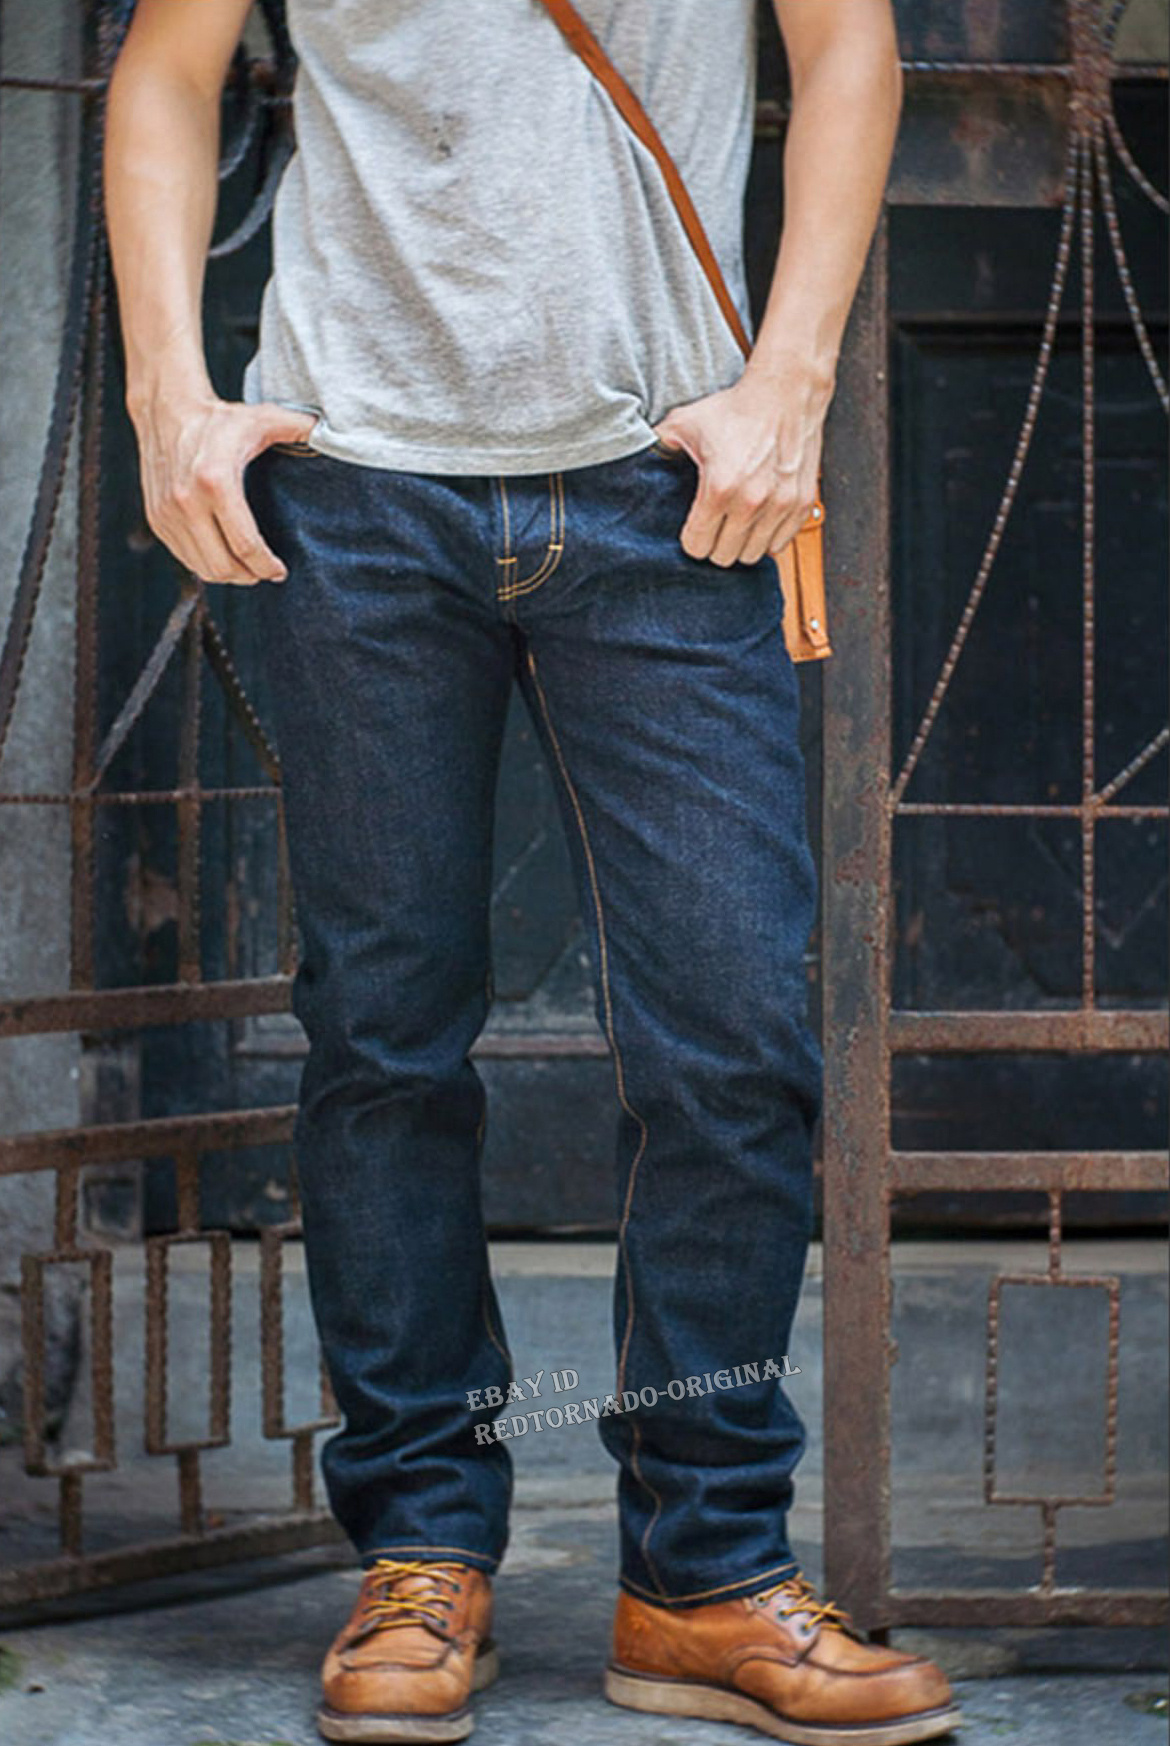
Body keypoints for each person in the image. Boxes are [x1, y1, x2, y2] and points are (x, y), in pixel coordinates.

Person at [104, 3, 960, 1743]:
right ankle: (421, 1541)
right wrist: (165, 396)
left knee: (731, 1040)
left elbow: (849, 47)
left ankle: (701, 1571)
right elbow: (167, 69)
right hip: (353, 490)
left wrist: (788, 386)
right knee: (382, 1041)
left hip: (670, 493)